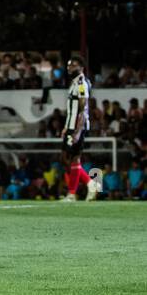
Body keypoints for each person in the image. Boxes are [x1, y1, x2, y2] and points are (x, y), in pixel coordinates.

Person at [61, 56, 93, 200]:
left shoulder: (81, 83)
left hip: (77, 126)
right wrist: (66, 126)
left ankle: (72, 193)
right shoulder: (74, 83)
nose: (69, 68)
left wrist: (77, 130)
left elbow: (82, 109)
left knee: (72, 158)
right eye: (68, 65)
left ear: (81, 67)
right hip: (71, 125)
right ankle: (90, 185)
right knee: (70, 159)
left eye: (73, 65)